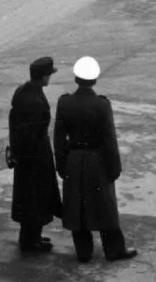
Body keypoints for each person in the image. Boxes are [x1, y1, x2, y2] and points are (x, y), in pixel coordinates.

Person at [53, 56, 137, 263]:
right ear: (94, 79)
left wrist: (62, 165)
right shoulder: (101, 105)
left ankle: (83, 252)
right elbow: (109, 139)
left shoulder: (65, 103)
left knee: (77, 207)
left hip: (74, 159)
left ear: (76, 78)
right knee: (105, 207)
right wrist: (114, 168)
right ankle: (114, 249)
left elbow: (59, 138)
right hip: (96, 159)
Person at [8, 57, 64, 253]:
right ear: (44, 77)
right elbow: (32, 134)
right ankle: (31, 241)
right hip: (36, 158)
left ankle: (30, 237)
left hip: (25, 158)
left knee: (29, 199)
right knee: (37, 199)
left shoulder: (22, 92)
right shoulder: (35, 101)